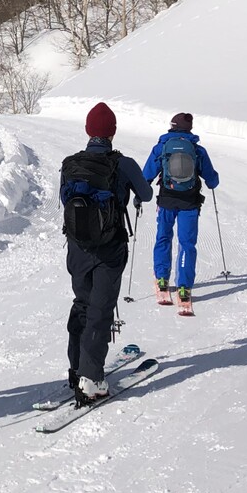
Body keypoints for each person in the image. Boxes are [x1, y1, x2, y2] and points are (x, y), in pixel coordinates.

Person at [60, 103, 152, 404]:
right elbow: (147, 194)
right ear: (112, 132)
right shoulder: (122, 163)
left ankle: (77, 369)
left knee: (82, 305)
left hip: (77, 248)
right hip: (109, 248)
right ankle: (91, 380)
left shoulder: (70, 163)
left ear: (89, 131)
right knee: (100, 310)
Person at [141, 112, 220, 306]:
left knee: (163, 237)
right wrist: (211, 180)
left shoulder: (161, 147)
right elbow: (212, 180)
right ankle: (184, 286)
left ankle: (162, 278)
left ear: (172, 126)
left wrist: (140, 194)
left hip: (167, 200)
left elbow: (147, 175)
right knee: (187, 243)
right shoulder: (197, 150)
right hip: (190, 202)